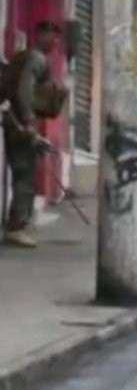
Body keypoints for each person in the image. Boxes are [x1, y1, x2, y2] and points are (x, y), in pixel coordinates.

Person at [2, 21, 63, 248]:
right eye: (52, 36)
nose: (55, 42)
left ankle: (19, 222)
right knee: (25, 173)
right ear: (41, 35)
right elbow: (25, 90)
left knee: (24, 171)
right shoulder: (35, 59)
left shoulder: (26, 57)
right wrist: (28, 123)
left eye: (57, 38)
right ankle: (17, 227)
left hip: (14, 119)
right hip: (19, 122)